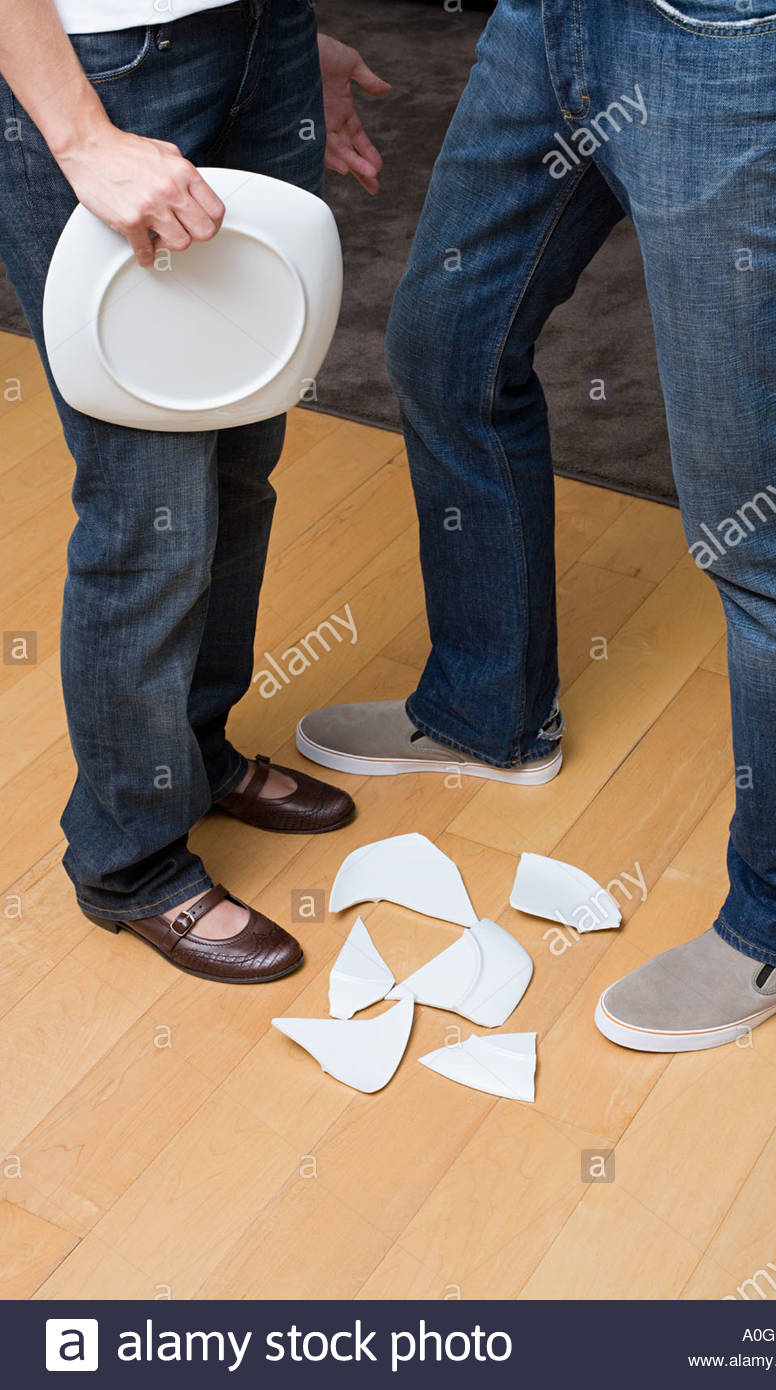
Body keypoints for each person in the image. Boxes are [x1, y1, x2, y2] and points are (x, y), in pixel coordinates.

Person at [297, 0, 776, 1048]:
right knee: (444, 343)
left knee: (758, 512)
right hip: (552, 21)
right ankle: (487, 711)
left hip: (733, 40)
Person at [0, 0, 389, 983]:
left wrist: (278, 44)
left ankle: (195, 750)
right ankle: (127, 858)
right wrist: (80, 133)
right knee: (148, 502)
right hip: (98, 65)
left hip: (258, 37)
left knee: (239, 453)